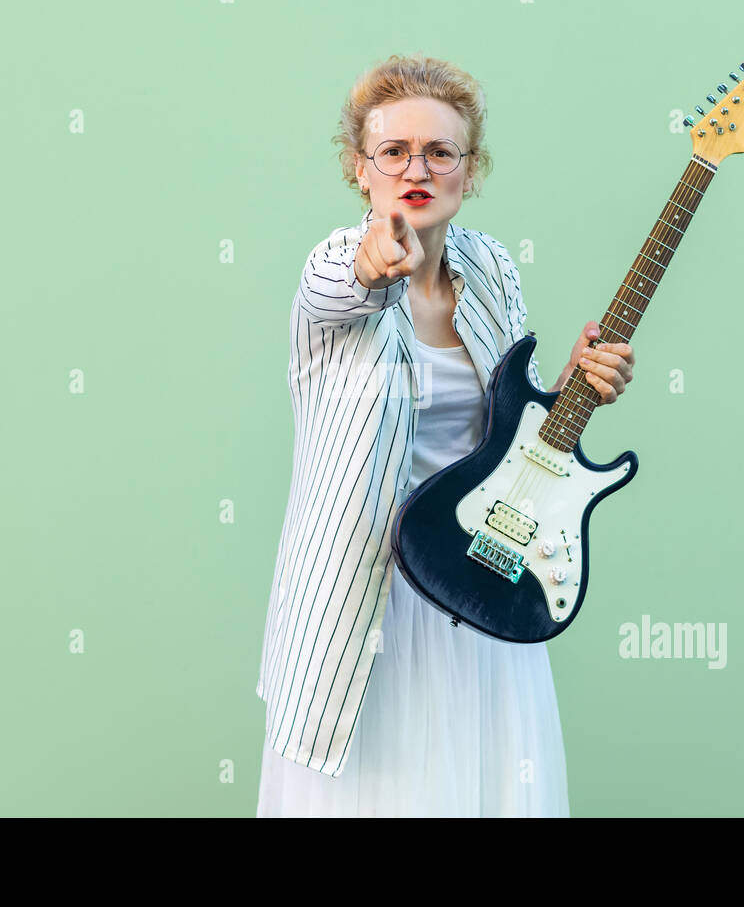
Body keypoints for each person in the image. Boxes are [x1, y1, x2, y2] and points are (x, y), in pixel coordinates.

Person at [255, 54, 635, 816]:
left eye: (440, 151)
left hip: (479, 586)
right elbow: (337, 288)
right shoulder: (336, 267)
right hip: (362, 613)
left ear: (470, 169)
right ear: (360, 169)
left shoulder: (491, 267)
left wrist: (570, 389)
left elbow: (504, 438)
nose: (415, 168)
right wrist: (373, 263)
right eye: (393, 151)